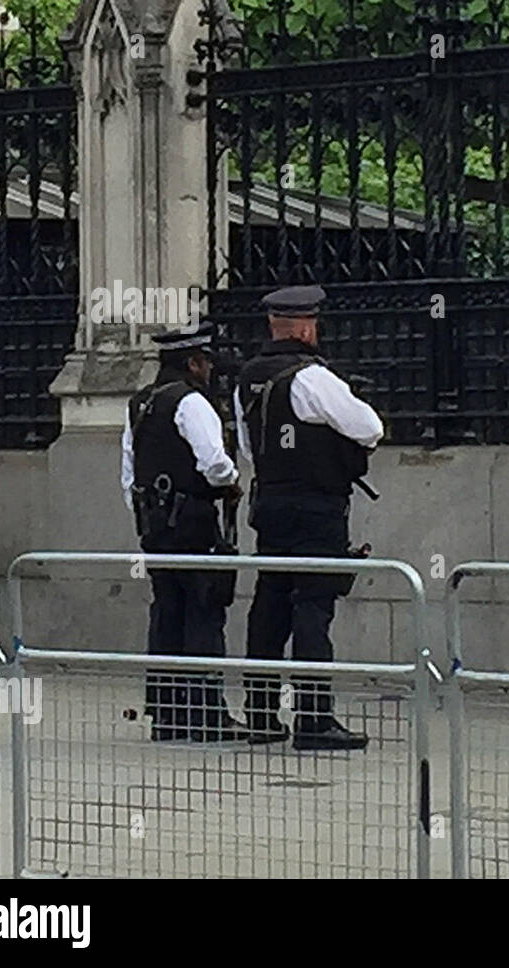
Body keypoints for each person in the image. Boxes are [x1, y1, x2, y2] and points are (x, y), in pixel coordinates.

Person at [234, 285, 384, 750]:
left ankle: (260, 712)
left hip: (270, 505)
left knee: (270, 602)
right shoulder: (312, 377)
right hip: (316, 507)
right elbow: (370, 428)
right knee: (314, 606)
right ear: (304, 327)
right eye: (314, 324)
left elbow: (245, 447)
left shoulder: (247, 379)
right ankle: (314, 719)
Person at [121, 322, 246, 742]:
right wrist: (229, 481)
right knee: (205, 610)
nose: (209, 369)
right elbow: (213, 460)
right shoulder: (190, 401)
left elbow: (128, 472)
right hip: (193, 521)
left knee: (167, 613)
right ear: (193, 362)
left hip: (154, 525)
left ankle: (168, 715)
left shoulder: (139, 404)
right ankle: (207, 714)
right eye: (206, 361)